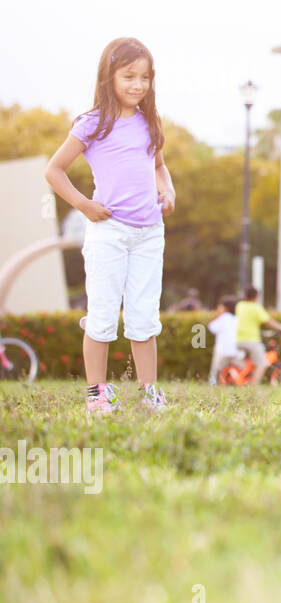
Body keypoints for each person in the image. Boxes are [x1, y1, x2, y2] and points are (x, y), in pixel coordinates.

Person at [45, 37, 174, 414]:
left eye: (145, 77)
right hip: (109, 233)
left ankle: (149, 393)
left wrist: (167, 190)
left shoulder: (151, 122)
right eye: (129, 75)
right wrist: (84, 205)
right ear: (109, 76)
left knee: (144, 316)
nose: (138, 84)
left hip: (149, 233)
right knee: (101, 314)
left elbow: (159, 167)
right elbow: (54, 170)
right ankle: (97, 394)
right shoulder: (92, 123)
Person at [234, 286, 281, 386]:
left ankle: (244, 377)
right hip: (251, 340)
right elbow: (268, 321)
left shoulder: (240, 305)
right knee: (262, 363)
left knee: (252, 362)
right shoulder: (256, 307)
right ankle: (253, 387)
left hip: (238, 339)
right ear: (257, 297)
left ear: (245, 296)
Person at [208, 297, 239, 385]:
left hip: (222, 351)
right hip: (235, 350)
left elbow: (212, 327)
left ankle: (212, 384)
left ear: (225, 308)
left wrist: (217, 315)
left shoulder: (223, 317)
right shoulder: (236, 319)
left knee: (215, 370)